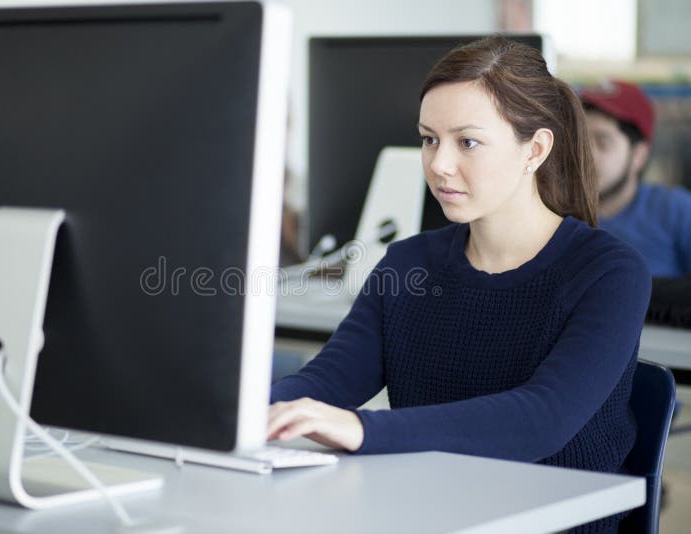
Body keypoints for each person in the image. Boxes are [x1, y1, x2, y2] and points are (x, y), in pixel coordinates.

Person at [268, 36, 651, 533]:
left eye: (467, 142)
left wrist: (360, 428)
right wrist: (257, 412)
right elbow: (327, 383)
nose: (439, 164)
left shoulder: (608, 272)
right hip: (429, 518)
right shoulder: (407, 264)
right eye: (429, 139)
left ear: (534, 149)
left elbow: (540, 420)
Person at [580, 79, 691, 277]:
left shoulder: (675, 211)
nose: (585, 154)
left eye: (602, 142)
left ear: (638, 156)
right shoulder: (552, 214)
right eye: (577, 140)